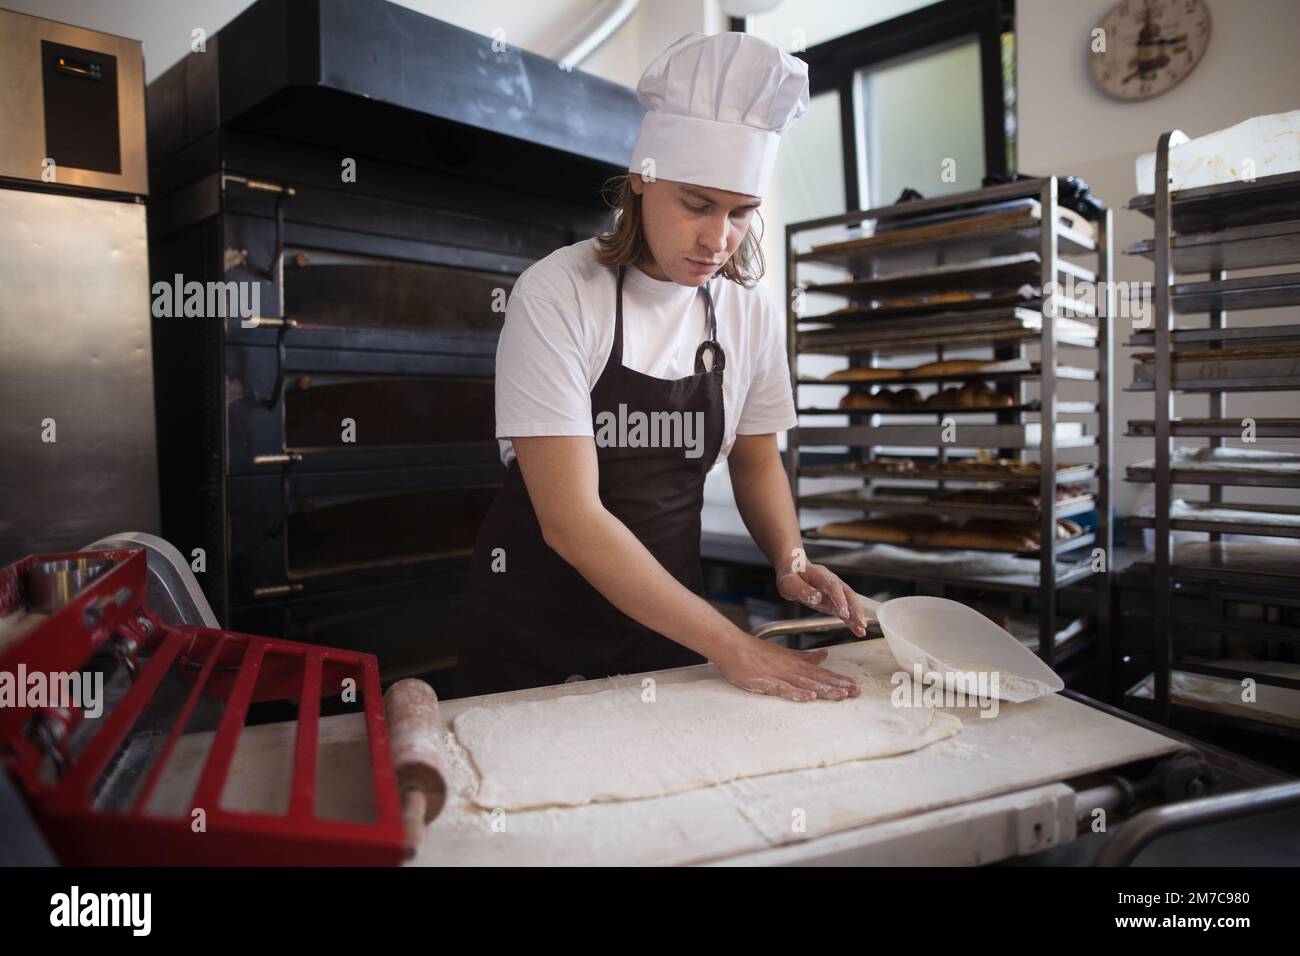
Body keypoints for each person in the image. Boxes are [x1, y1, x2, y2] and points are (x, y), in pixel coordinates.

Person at [453, 31, 868, 701]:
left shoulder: (747, 312)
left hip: (673, 625)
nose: (719, 238)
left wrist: (790, 559)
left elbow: (757, 459)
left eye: (741, 213)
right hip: (535, 625)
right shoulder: (558, 293)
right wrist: (733, 644)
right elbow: (570, 519)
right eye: (698, 205)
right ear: (642, 182)